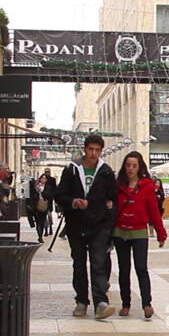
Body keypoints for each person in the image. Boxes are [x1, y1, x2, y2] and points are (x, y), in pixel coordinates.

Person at [54, 134, 118, 320]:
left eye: (97, 150)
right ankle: (81, 301)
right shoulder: (72, 169)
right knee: (79, 264)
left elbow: (113, 198)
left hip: (99, 226)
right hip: (76, 225)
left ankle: (101, 302)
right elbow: (60, 195)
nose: (93, 153)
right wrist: (73, 201)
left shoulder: (105, 171)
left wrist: (109, 222)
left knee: (98, 263)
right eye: (90, 149)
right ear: (85, 149)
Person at [113, 152, 167, 320]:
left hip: (139, 232)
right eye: (128, 165)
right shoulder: (117, 186)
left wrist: (160, 232)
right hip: (120, 232)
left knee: (141, 268)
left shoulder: (147, 186)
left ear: (139, 167)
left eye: (134, 165)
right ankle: (126, 303)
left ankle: (147, 303)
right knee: (124, 269)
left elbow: (154, 211)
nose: (130, 168)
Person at [27, 173, 52, 243]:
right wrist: (37, 191)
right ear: (40, 179)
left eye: (44, 178)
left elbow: (49, 196)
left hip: (44, 207)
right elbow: (31, 196)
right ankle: (40, 237)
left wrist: (42, 191)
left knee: (42, 222)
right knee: (38, 222)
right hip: (36, 207)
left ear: (46, 180)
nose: (43, 179)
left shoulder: (48, 187)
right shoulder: (35, 186)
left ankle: (40, 235)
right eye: (42, 178)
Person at [43, 168, 58, 236]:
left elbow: (55, 189)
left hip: (49, 200)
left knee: (49, 215)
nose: (47, 173)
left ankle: (50, 228)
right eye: (46, 172)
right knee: (44, 215)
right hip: (43, 200)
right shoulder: (43, 179)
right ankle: (46, 230)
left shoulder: (52, 179)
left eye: (48, 172)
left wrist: (55, 199)